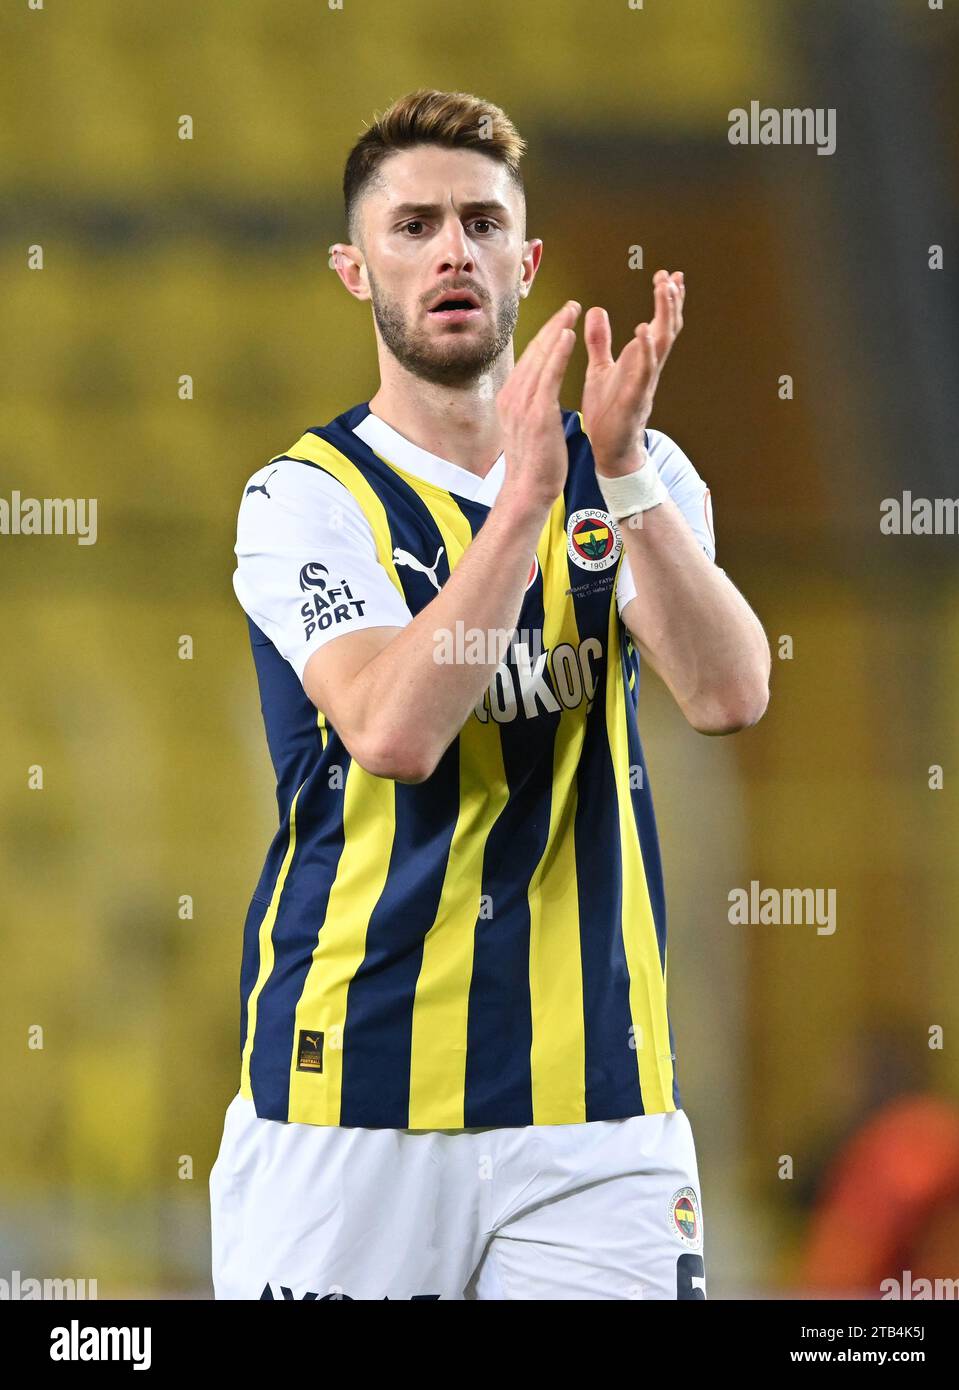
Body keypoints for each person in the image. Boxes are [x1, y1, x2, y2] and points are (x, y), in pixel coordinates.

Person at [210, 87, 770, 1301]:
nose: (451, 249)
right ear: (355, 270)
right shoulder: (300, 500)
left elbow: (729, 692)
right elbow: (395, 731)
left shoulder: (635, 470)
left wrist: (614, 473)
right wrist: (523, 501)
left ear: (527, 259)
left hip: (597, 1111)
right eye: (413, 227)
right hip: (351, 1101)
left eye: (480, 221)